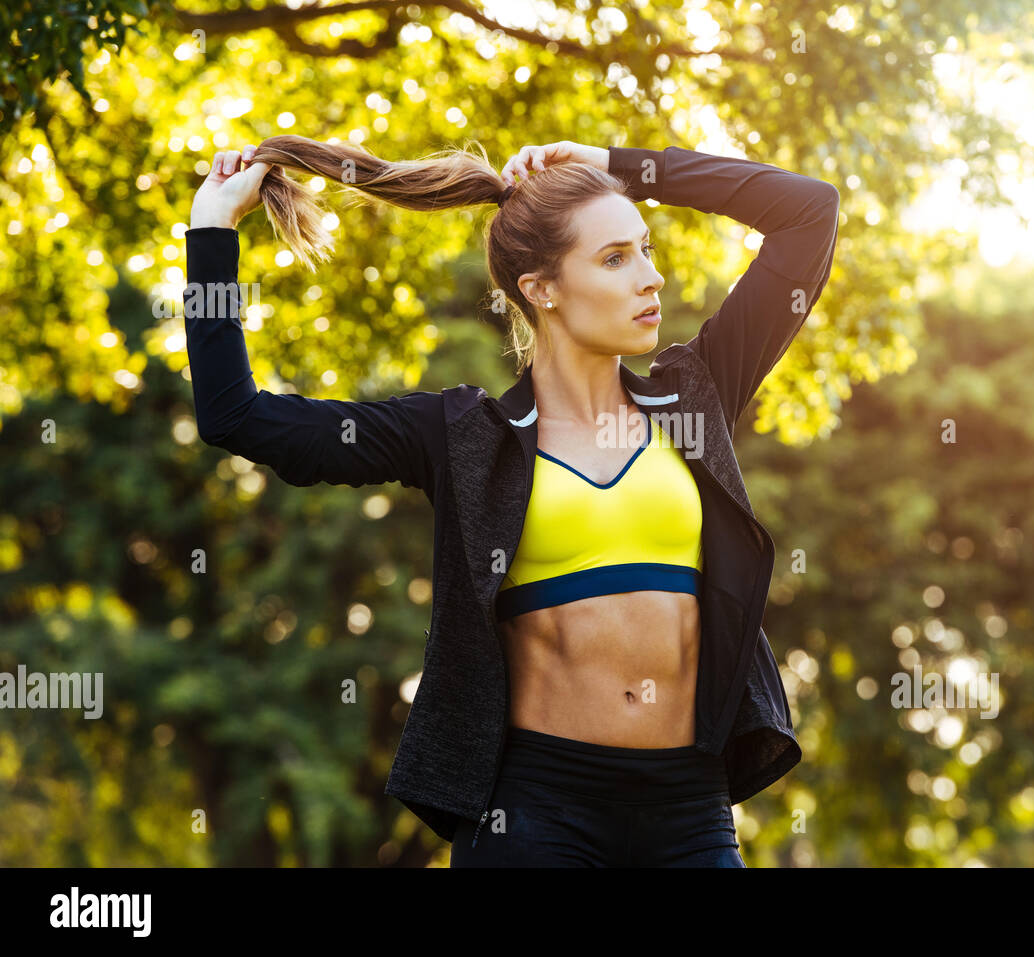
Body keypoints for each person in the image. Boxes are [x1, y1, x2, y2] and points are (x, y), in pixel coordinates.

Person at [184, 135, 840, 866]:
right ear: (542, 288)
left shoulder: (694, 397)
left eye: (646, 249)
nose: (651, 277)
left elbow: (809, 212)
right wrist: (212, 233)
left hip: (691, 811)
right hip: (534, 815)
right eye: (616, 258)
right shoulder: (464, 435)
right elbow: (234, 416)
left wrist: (620, 165)